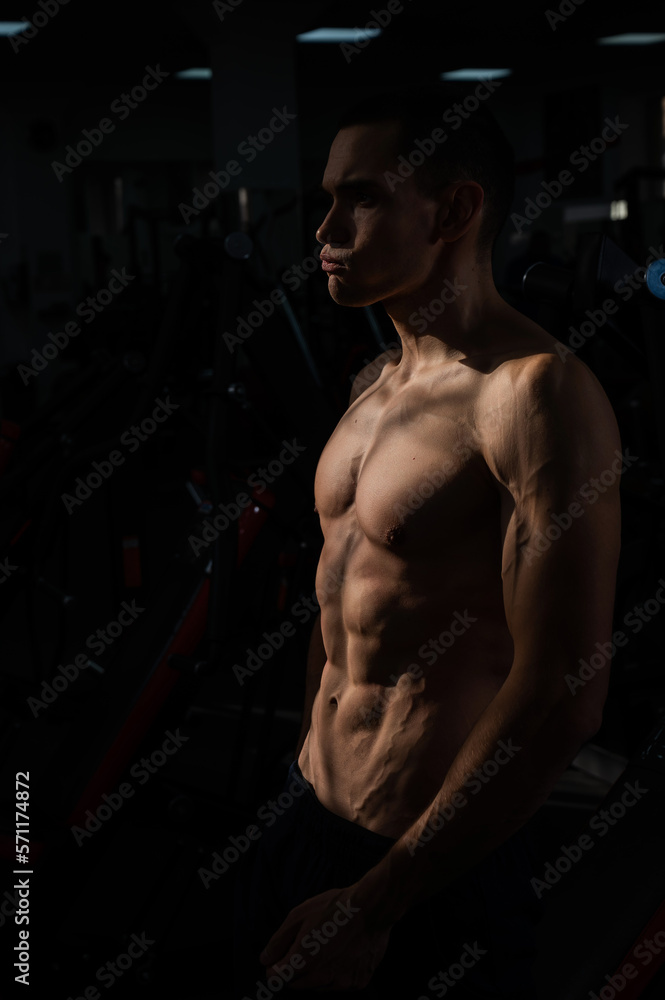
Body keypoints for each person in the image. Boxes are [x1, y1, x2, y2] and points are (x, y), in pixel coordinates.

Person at [232, 83, 622, 998]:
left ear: (453, 209)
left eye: (360, 197)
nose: (324, 226)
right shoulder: (376, 383)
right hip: (308, 817)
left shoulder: (532, 395)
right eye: (327, 196)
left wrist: (375, 902)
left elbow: (564, 697)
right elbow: (337, 611)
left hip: (424, 873)